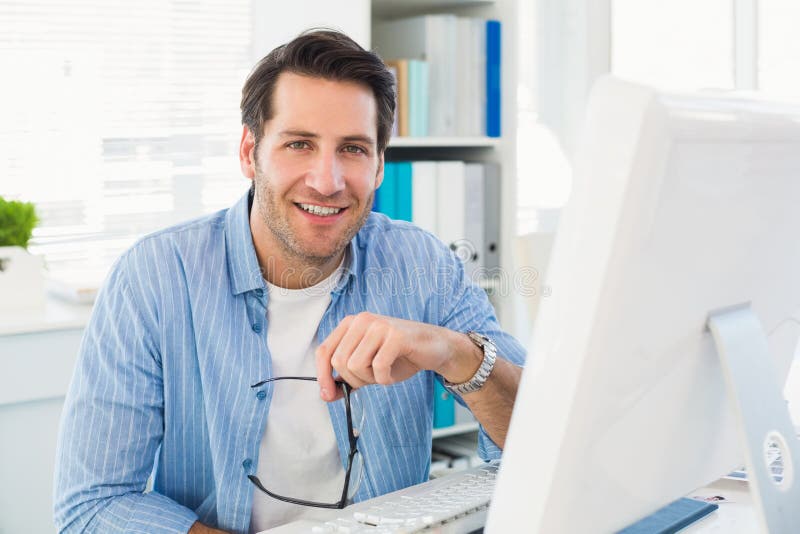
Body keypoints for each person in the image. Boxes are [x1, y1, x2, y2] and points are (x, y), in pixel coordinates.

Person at [53, 29, 526, 534]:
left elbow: (541, 443)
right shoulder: (153, 278)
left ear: (380, 165)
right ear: (248, 152)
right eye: (299, 144)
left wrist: (456, 353)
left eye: (353, 149)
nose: (327, 180)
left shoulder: (423, 264)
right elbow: (93, 508)